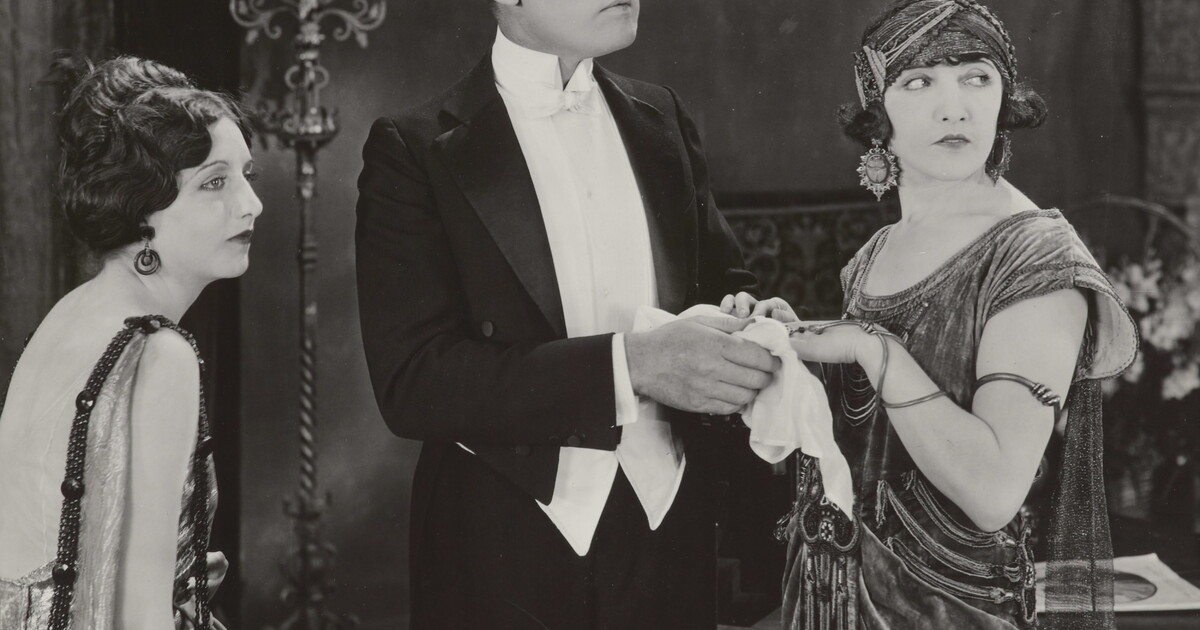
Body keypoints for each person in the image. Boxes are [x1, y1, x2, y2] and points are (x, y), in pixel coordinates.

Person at [354, 1, 788, 627]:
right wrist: (629, 366)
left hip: (672, 528)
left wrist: (748, 317)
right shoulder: (414, 146)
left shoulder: (660, 115)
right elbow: (413, 383)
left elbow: (726, 282)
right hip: (502, 540)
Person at [771, 1, 1137, 629]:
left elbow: (993, 492)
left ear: (1003, 98)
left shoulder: (1034, 253)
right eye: (918, 83)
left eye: (977, 77)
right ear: (876, 113)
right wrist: (784, 341)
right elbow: (869, 444)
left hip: (950, 609)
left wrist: (871, 348)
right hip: (830, 597)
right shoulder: (872, 255)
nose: (955, 107)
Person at [0, 56, 260, 629]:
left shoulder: (72, 313)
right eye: (214, 182)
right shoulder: (155, 352)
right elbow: (139, 616)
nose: (250, 204)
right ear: (142, 208)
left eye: (248, 175)